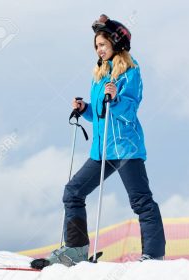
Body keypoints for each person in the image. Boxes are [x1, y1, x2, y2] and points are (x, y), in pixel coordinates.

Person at [48, 14, 166, 265]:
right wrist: (84, 109)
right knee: (73, 192)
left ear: (116, 42)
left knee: (141, 201)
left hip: (125, 148)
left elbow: (129, 110)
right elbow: (102, 114)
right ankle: (76, 249)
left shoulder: (130, 72)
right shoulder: (100, 75)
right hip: (102, 151)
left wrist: (118, 98)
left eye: (102, 44)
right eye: (96, 46)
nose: (98, 50)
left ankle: (154, 255)